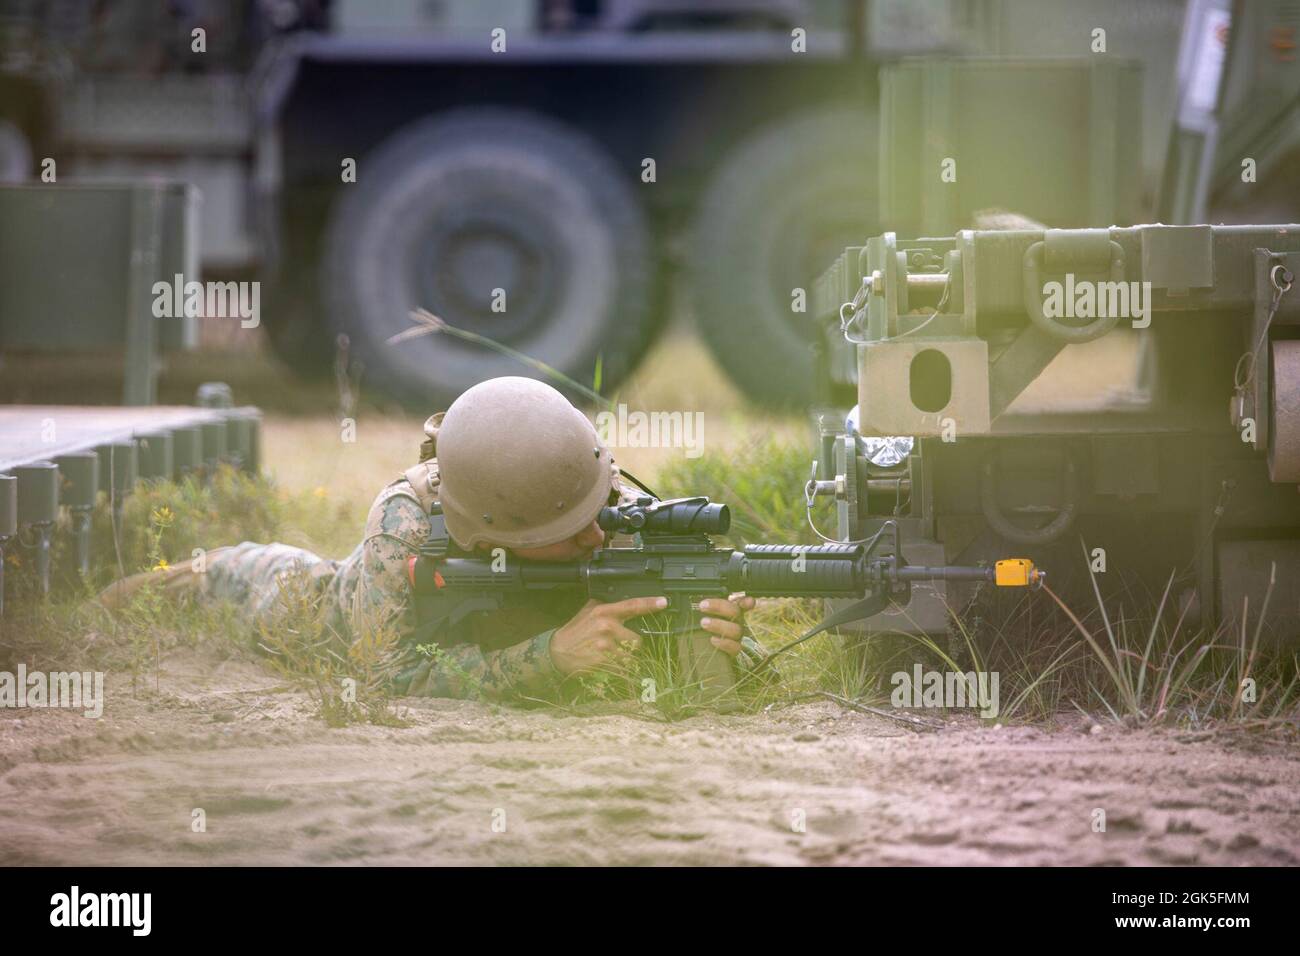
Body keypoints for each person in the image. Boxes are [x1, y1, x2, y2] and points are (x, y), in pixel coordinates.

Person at [101, 377, 756, 701]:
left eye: (597, 509)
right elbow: (381, 676)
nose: (596, 532)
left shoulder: (616, 509)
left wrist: (733, 641)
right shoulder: (405, 523)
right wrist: (548, 657)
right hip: (335, 610)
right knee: (257, 586)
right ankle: (170, 578)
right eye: (565, 530)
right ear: (493, 533)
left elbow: (715, 672)